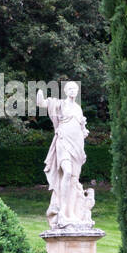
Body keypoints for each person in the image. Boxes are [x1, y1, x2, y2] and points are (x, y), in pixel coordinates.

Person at [36, 81, 94, 229]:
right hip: (63, 141)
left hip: (77, 145)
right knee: (67, 172)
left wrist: (84, 132)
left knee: (74, 178)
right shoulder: (60, 105)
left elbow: (82, 128)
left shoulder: (78, 108)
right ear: (65, 91)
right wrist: (40, 95)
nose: (73, 91)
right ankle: (62, 210)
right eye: (70, 88)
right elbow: (42, 103)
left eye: (75, 88)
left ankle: (72, 212)